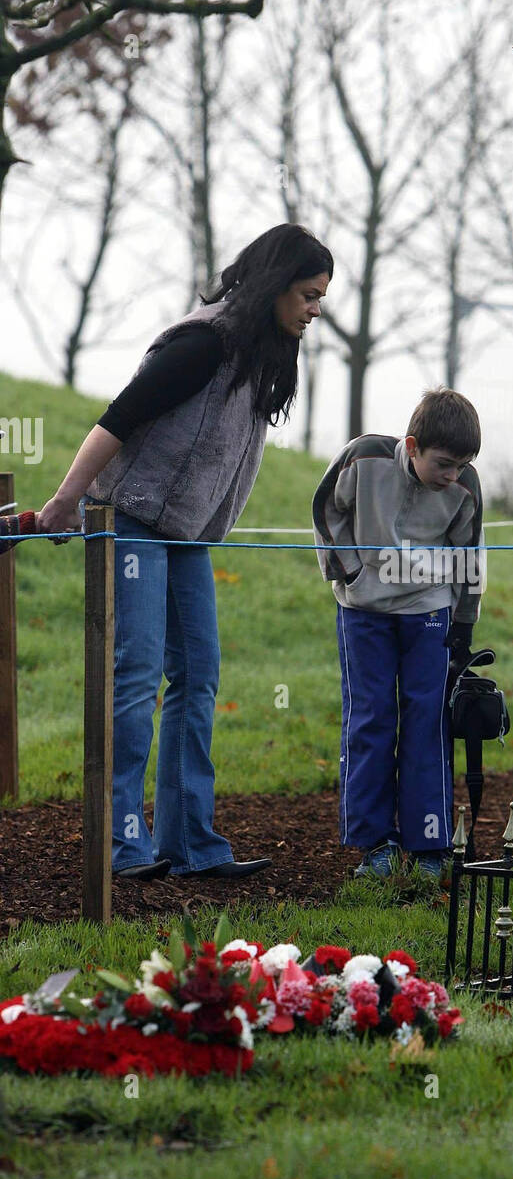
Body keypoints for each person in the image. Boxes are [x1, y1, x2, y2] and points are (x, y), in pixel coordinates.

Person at [37, 224, 333, 881]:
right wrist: (65, 501)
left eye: (321, 297)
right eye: (308, 294)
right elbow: (116, 418)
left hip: (190, 536)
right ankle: (121, 844)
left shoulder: (263, 354)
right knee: (138, 675)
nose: (315, 309)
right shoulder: (204, 344)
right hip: (135, 521)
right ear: (275, 284)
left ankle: (190, 843)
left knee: (198, 677)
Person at [312, 388, 485, 880]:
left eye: (462, 465)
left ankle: (430, 844)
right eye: (444, 464)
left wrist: (464, 626)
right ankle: (374, 846)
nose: (453, 476)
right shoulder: (362, 457)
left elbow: (470, 553)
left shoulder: (466, 484)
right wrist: (347, 573)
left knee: (427, 721)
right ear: (412, 446)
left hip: (429, 610)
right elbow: (326, 510)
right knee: (370, 716)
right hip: (362, 609)